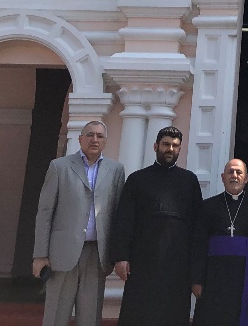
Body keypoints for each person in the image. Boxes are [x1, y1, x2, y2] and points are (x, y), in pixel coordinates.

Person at [32, 120, 127, 326]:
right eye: (90, 135)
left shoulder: (116, 170)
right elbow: (45, 212)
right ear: (80, 139)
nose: (94, 140)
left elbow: (119, 214)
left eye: (100, 136)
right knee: (56, 314)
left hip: (97, 254)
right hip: (62, 253)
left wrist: (119, 254)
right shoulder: (59, 167)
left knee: (90, 317)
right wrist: (40, 254)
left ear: (105, 141)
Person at [110, 126, 203, 326]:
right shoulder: (137, 179)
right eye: (166, 144)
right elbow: (124, 220)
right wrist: (121, 257)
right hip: (142, 264)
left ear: (180, 149)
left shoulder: (189, 181)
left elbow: (198, 227)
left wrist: (196, 270)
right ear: (155, 146)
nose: (170, 149)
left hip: (178, 267)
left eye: (175, 146)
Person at [192, 158, 248, 326]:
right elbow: (198, 245)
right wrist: (196, 280)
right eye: (230, 172)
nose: (234, 176)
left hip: (246, 276)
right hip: (215, 278)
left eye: (239, 172)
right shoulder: (208, 207)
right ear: (222, 177)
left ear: (247, 178)